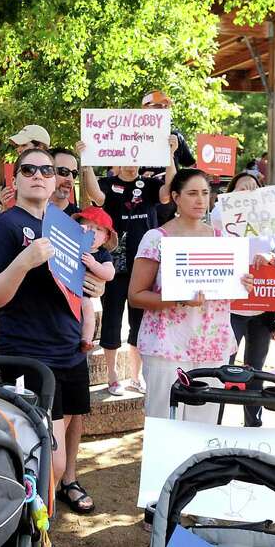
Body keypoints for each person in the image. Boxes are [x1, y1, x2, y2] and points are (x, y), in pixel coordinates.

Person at [0, 148, 108, 515]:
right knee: (49, 459)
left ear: (55, 181)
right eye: (28, 169)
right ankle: (28, 524)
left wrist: (96, 285)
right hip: (29, 354)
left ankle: (42, 514)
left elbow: (85, 282)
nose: (38, 175)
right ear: (15, 179)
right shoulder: (2, 227)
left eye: (47, 170)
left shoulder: (66, 227)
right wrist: (23, 262)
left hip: (69, 350)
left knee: (62, 448)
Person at [128, 169, 256, 421]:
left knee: (204, 428)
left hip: (212, 346)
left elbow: (223, 296)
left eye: (205, 193)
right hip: (166, 347)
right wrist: (179, 298)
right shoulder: (156, 238)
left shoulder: (223, 239)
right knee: (165, 422)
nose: (200, 200)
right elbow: (136, 295)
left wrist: (242, 284)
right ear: (176, 197)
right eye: (192, 193)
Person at [81, 137, 177, 394]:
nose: (130, 164)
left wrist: (170, 154)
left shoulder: (149, 185)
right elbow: (96, 196)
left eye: (135, 159)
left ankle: (135, 376)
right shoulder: (108, 184)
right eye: (124, 159)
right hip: (114, 266)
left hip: (145, 266)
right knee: (112, 320)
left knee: (140, 322)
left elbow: (168, 192)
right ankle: (113, 376)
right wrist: (87, 162)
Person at [213, 171, 275, 427]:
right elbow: (215, 220)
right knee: (223, 368)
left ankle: (253, 424)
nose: (248, 192)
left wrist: (272, 257)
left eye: (253, 188)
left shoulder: (270, 223)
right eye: (242, 189)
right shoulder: (220, 219)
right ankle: (214, 422)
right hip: (231, 308)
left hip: (262, 309)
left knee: (255, 370)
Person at [72, 205, 118, 355]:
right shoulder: (71, 244)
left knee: (88, 310)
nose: (92, 231)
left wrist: (94, 265)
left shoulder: (102, 254)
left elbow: (109, 274)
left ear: (106, 237)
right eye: (88, 226)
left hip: (83, 294)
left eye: (99, 229)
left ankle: (87, 339)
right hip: (65, 288)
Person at [0, 124, 52, 208]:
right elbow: (8, 213)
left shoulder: (59, 174)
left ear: (40, 147)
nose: (18, 149)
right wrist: (4, 205)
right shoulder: (13, 174)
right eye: (18, 146)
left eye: (24, 145)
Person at [51, 146, 82, 215]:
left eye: (74, 173)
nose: (70, 179)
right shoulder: (29, 214)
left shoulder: (80, 219)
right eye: (64, 171)